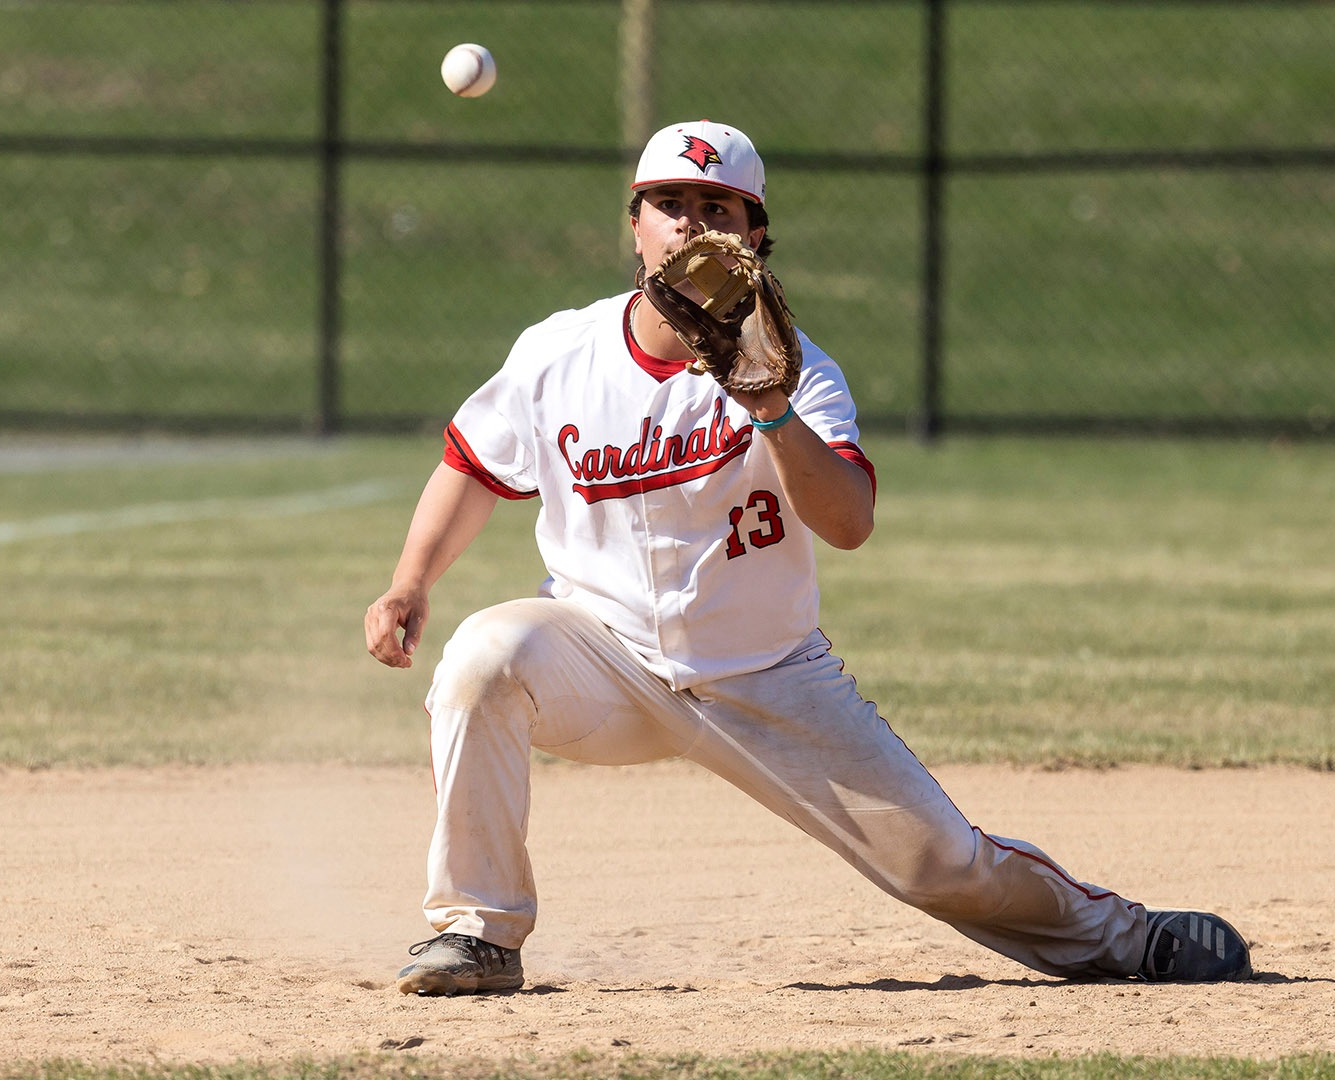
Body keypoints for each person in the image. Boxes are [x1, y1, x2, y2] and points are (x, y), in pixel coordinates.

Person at [363, 119, 1252, 996]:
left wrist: (772, 408)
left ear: (754, 238)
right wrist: (410, 582)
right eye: (668, 202)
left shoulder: (799, 371)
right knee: (487, 654)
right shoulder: (558, 353)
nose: (690, 222)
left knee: (940, 866)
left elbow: (849, 522)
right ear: (633, 225)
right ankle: (476, 932)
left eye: (717, 205)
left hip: (767, 675)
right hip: (603, 661)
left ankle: (1130, 937)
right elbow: (471, 465)